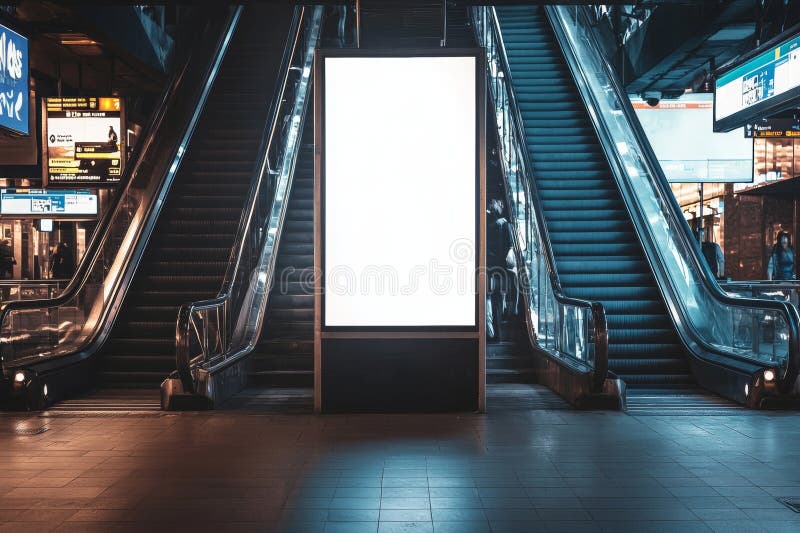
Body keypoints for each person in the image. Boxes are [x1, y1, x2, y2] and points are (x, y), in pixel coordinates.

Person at [486, 199, 516, 340]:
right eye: (498, 203)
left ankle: (492, 332)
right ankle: (495, 334)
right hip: (497, 268)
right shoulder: (504, 224)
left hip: (490, 267)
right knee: (496, 300)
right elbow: (509, 246)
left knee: (491, 299)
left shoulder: (501, 224)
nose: (499, 206)